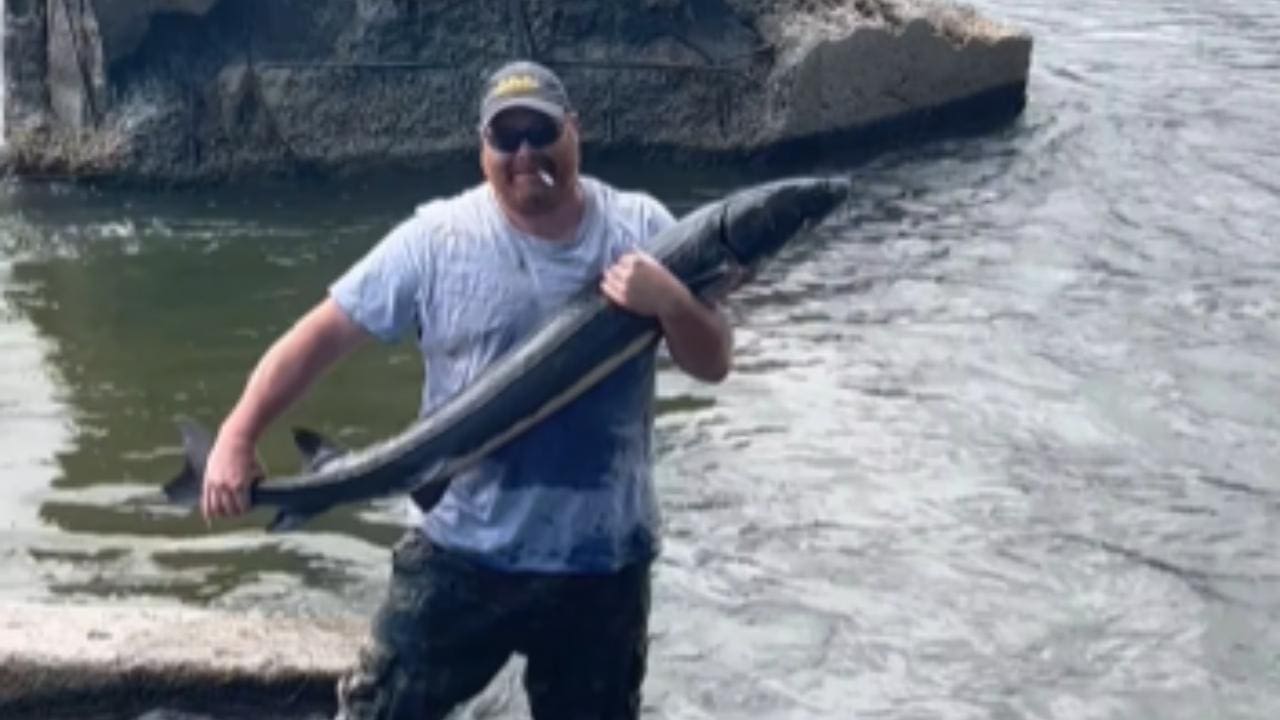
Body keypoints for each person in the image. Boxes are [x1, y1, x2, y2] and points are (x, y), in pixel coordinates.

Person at [200, 60, 734, 719]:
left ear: (574, 131)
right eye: (505, 139)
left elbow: (711, 364)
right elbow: (321, 337)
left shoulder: (643, 226)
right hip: (460, 554)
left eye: (540, 132)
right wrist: (237, 433)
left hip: (602, 562)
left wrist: (673, 302)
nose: (525, 154)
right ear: (482, 150)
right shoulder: (435, 240)